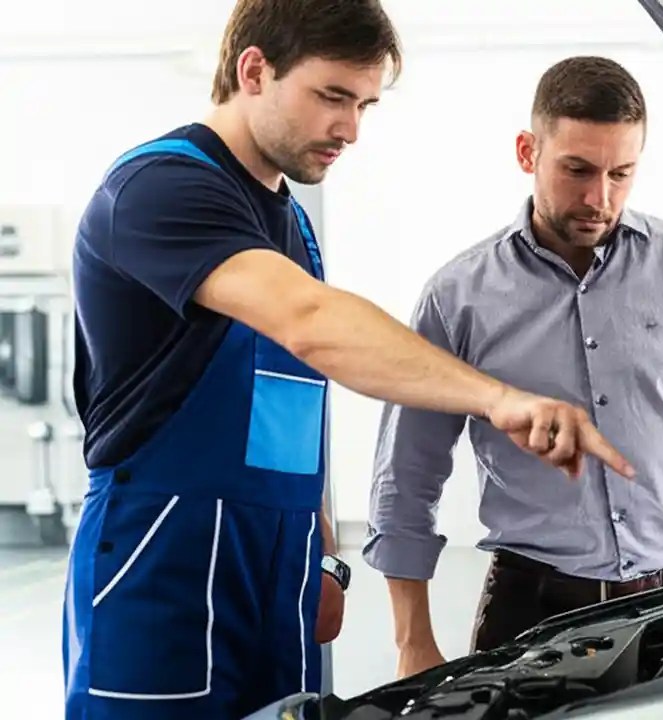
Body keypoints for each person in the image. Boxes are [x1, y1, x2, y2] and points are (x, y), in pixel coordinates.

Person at [61, 4, 633, 719]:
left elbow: (290, 401)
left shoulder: (290, 220)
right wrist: (496, 399)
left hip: (275, 570)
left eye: (364, 104)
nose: (351, 128)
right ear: (254, 70)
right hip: (162, 568)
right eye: (332, 96)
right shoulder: (159, 190)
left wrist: (322, 551)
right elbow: (311, 325)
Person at [363, 55, 663, 676]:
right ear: (526, 152)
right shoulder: (458, 297)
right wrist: (412, 642)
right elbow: (406, 473)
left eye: (621, 173)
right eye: (577, 170)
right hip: (529, 614)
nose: (600, 198)